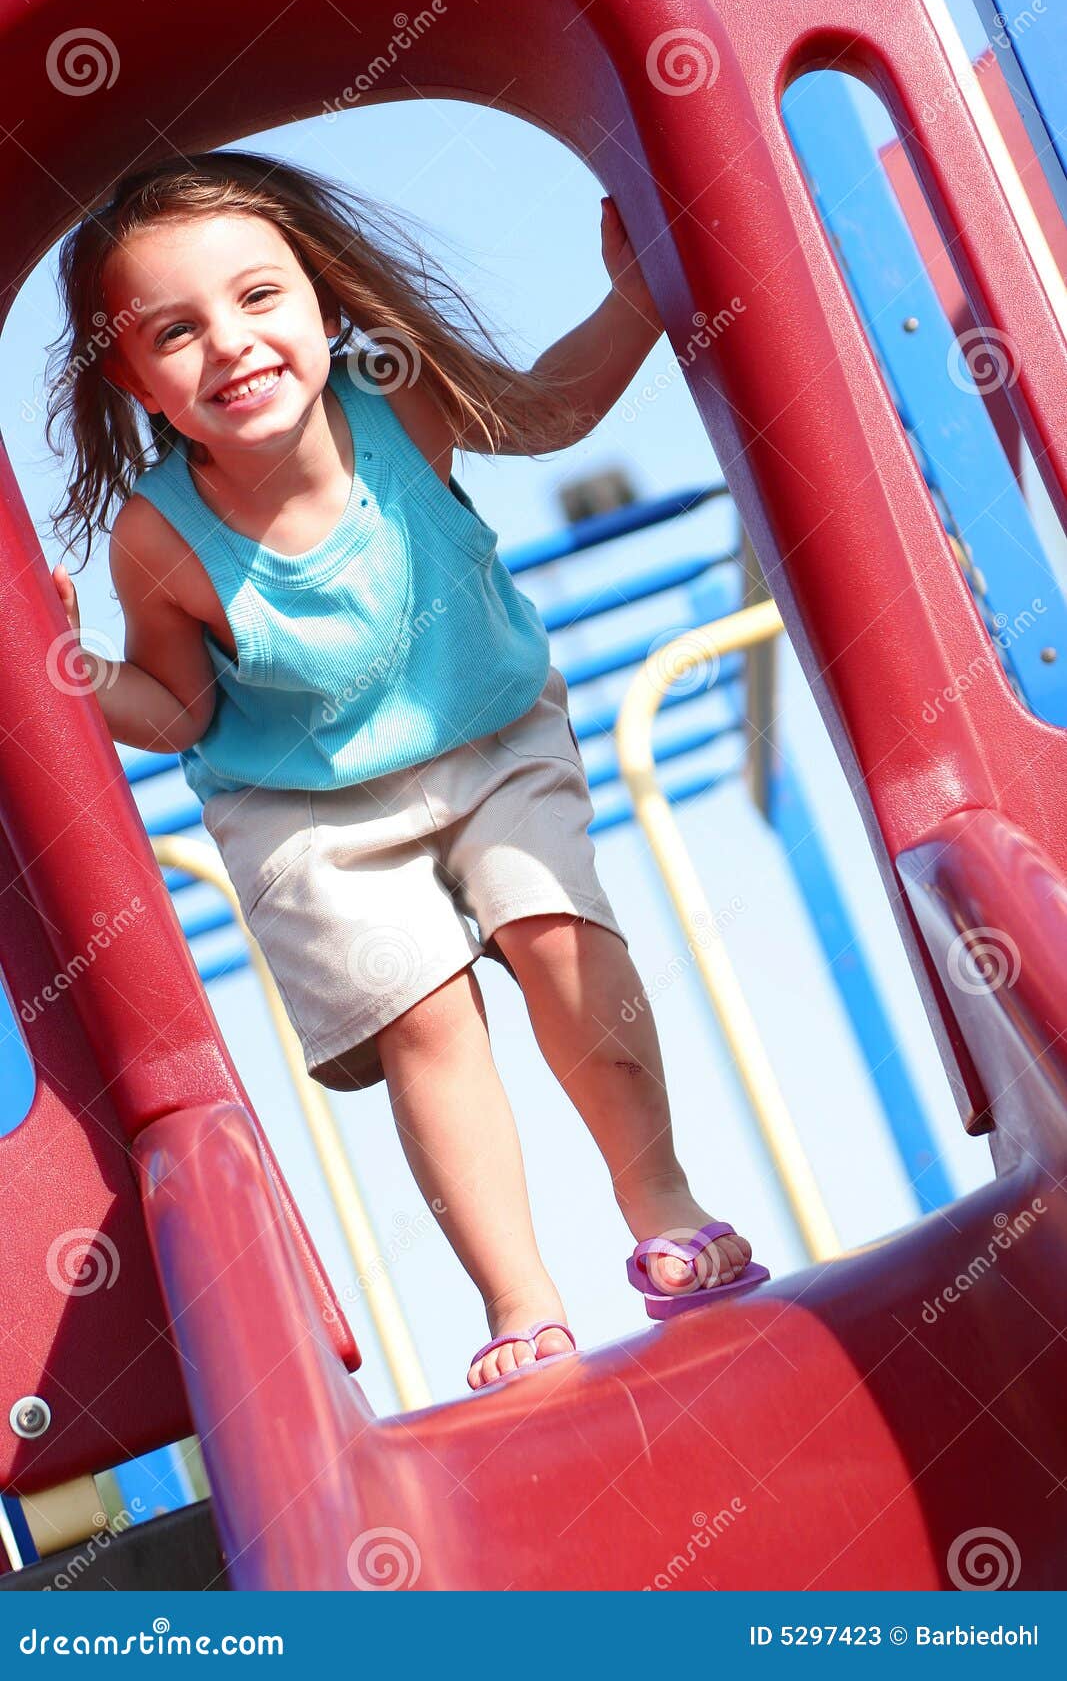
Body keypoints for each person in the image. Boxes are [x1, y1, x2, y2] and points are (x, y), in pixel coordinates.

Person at [47, 149, 760, 1392]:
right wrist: (65, 664)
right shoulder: (160, 535)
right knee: (426, 1016)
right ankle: (520, 1301)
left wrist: (639, 300)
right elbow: (175, 708)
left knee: (552, 931)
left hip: (484, 729)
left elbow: (544, 411)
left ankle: (663, 1208)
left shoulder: (400, 401)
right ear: (132, 376)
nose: (231, 345)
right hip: (305, 808)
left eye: (259, 298)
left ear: (323, 301)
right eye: (176, 329)